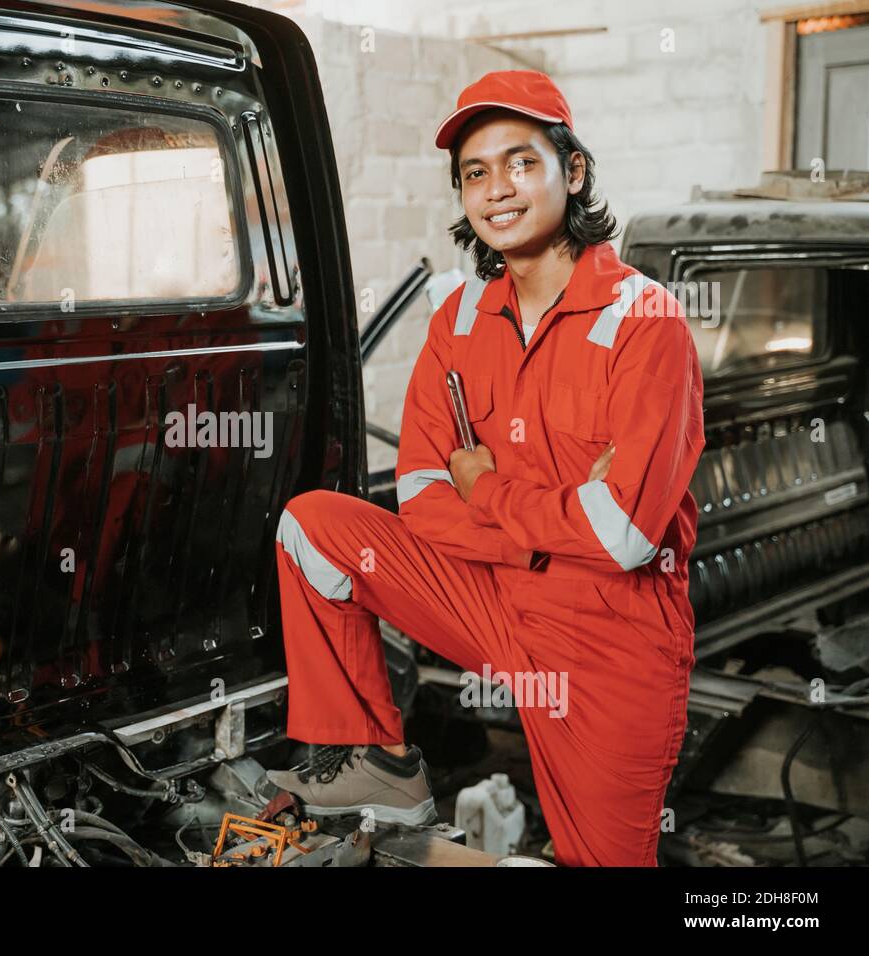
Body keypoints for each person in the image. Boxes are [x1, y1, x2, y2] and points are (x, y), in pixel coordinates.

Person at [266, 69, 706, 866]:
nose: (497, 189)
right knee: (314, 527)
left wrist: (485, 485)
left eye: (520, 162)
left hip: (610, 645)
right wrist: (550, 523)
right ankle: (383, 766)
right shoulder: (460, 317)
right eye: (475, 172)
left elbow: (625, 536)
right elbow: (420, 495)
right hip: (494, 599)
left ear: (573, 171)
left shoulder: (647, 321)